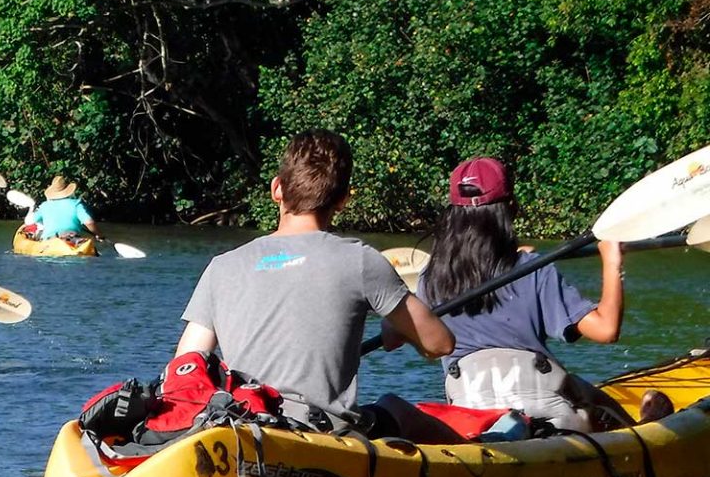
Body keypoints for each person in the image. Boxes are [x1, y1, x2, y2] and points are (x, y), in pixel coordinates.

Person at [174, 129, 456, 435]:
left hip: (243, 421)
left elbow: (185, 367)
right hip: (319, 433)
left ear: (276, 189)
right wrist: (398, 330)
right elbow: (440, 343)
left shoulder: (221, 267)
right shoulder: (360, 260)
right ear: (344, 200)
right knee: (395, 407)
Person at [415, 156, 670, 429]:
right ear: (510, 209)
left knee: (581, 387)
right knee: (585, 393)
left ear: (452, 213)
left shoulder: (428, 281)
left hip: (469, 421)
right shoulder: (533, 271)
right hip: (548, 418)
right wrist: (611, 261)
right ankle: (645, 428)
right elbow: (606, 329)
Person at [26, 176, 101, 242]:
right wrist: (98, 234)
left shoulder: (44, 206)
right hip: (72, 239)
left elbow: (31, 221)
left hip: (49, 241)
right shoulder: (76, 204)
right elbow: (89, 222)